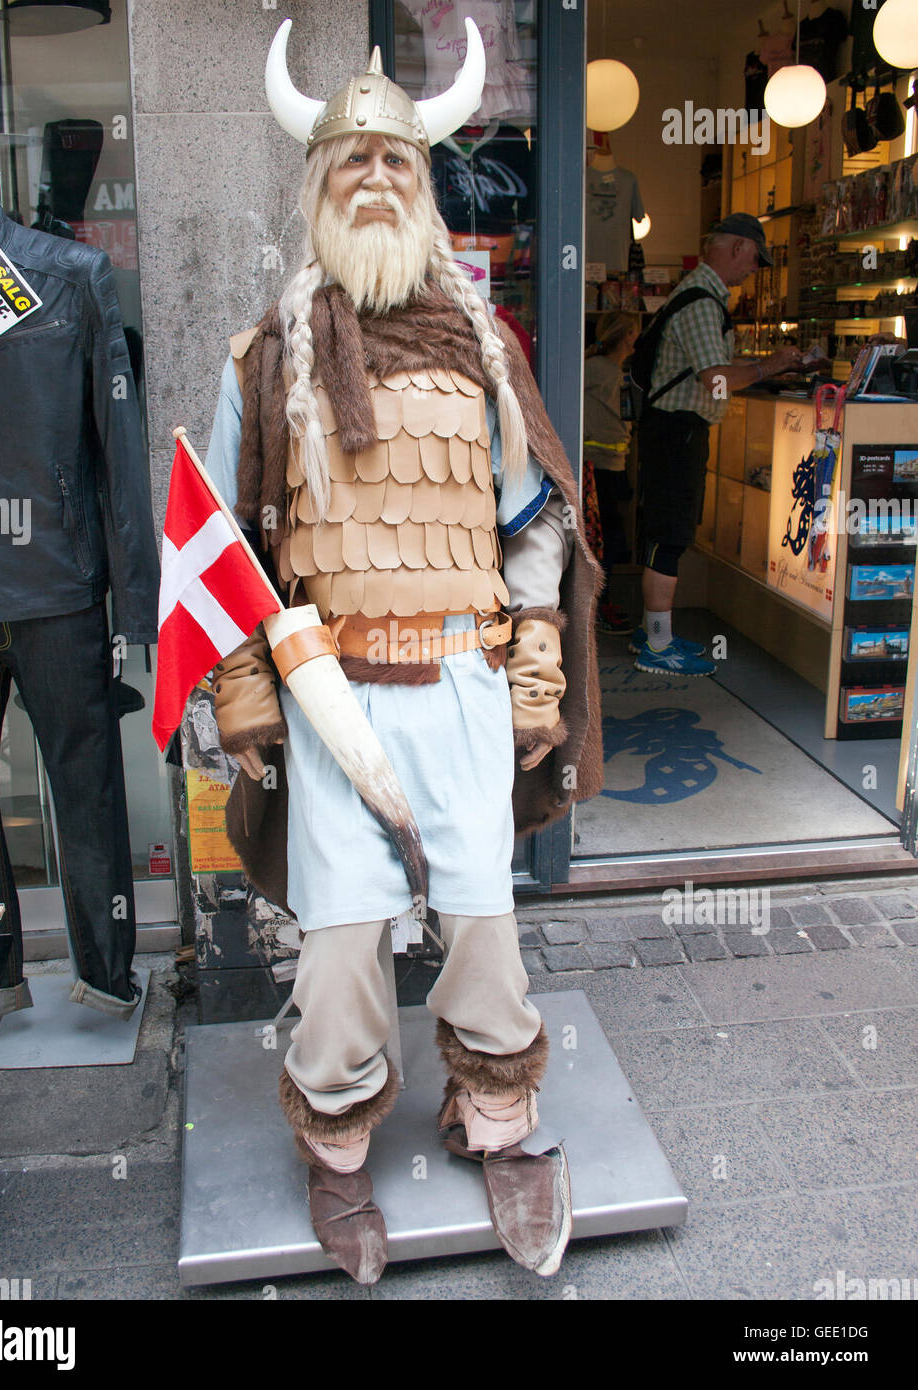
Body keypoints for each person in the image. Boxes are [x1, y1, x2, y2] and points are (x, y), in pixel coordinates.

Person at [201, 22, 603, 1285]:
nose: (373, 177)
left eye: (394, 160)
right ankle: (336, 1144)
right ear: (314, 189)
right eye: (348, 163)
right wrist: (249, 690)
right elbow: (222, 550)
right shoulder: (264, 357)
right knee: (340, 948)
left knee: (485, 921)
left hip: (467, 685)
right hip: (336, 704)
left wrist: (534, 662)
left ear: (421, 185)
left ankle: (497, 1114)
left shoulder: (483, 349)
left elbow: (531, 520)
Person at [633, 211, 803, 675]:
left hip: (672, 429)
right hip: (678, 431)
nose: (754, 270)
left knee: (665, 533)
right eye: (754, 259)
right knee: (669, 536)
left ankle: (653, 635)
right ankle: (657, 647)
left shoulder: (698, 295)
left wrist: (760, 364)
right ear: (736, 248)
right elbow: (716, 381)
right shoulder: (703, 303)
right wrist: (770, 367)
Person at [583, 311, 639, 633]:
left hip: (609, 464)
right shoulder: (600, 370)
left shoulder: (608, 370)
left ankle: (601, 603)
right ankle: (599, 606)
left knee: (606, 537)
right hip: (600, 466)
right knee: (604, 538)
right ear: (628, 336)